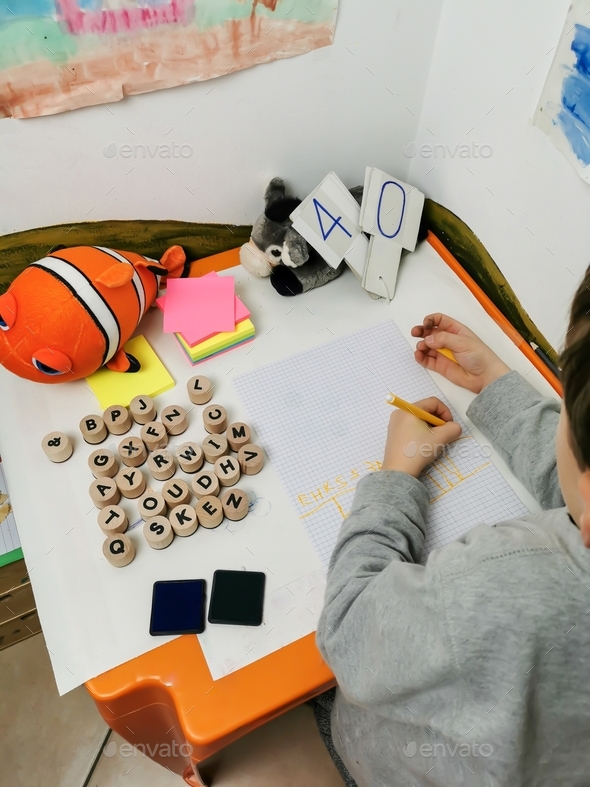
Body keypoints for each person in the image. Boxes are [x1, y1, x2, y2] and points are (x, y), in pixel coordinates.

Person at [315, 272, 590, 787]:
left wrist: (396, 476)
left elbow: (348, 630)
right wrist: (494, 384)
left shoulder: (507, 583)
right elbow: (573, 488)